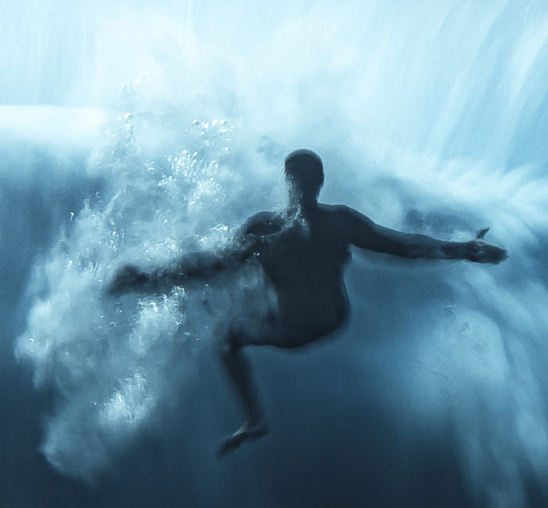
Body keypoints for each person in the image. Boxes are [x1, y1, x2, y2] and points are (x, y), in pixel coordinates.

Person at [107, 149, 508, 454]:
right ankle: (255, 419)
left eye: (303, 179)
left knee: (227, 330)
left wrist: (461, 249)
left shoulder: (319, 225)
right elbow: (212, 265)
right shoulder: (276, 228)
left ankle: (255, 419)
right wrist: (149, 276)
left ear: (311, 183)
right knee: (233, 292)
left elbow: (402, 245)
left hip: (309, 324)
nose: (300, 186)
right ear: (299, 181)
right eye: (298, 179)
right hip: (320, 320)